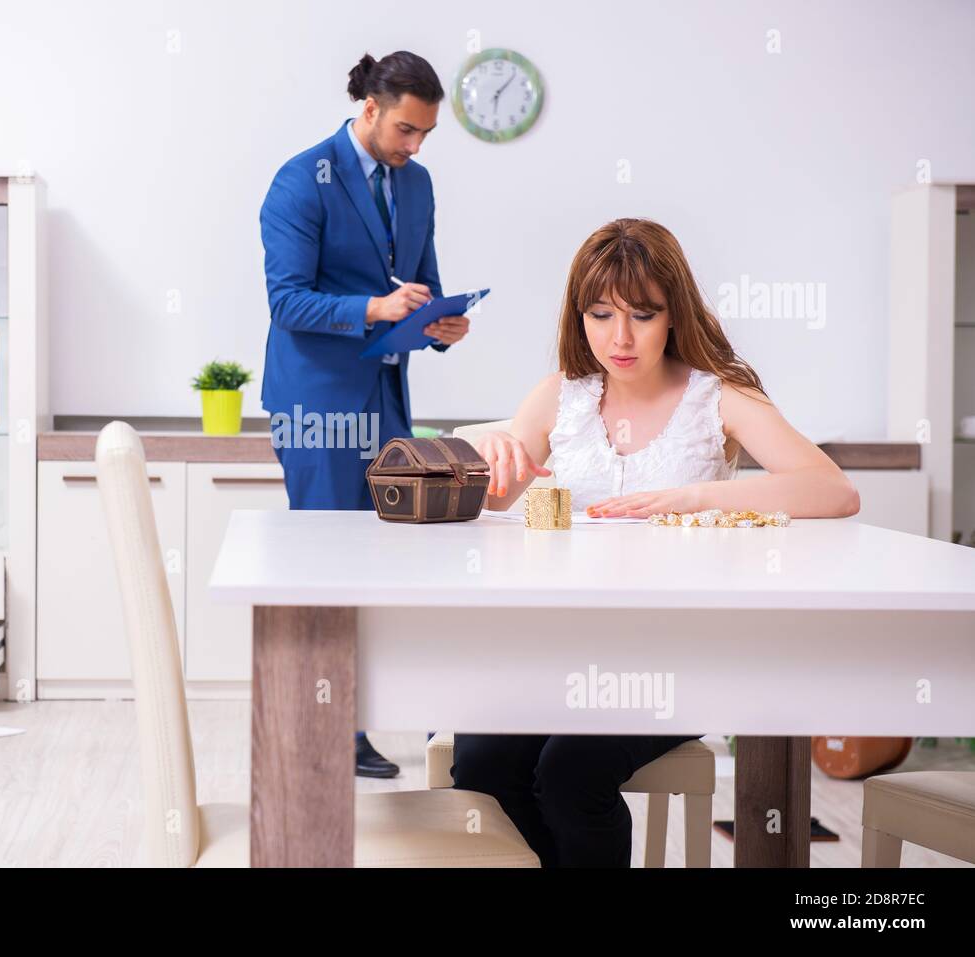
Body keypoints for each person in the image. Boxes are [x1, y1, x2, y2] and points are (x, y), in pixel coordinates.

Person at [453, 218, 859, 865]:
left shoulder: (715, 394)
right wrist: (485, 450)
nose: (619, 335)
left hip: (678, 652)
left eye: (643, 314)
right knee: (480, 763)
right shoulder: (561, 395)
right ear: (577, 314)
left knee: (569, 774)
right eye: (600, 312)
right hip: (561, 645)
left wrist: (692, 498)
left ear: (675, 314)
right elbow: (488, 495)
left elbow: (832, 490)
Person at [259, 51, 470, 777]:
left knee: (387, 565)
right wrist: (374, 308)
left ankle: (362, 724)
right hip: (316, 403)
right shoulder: (300, 180)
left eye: (427, 134)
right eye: (407, 129)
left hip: (386, 400)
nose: (415, 146)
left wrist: (441, 322)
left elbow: (425, 282)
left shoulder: (418, 186)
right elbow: (286, 301)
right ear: (371, 109)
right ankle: (324, 736)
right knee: (323, 567)